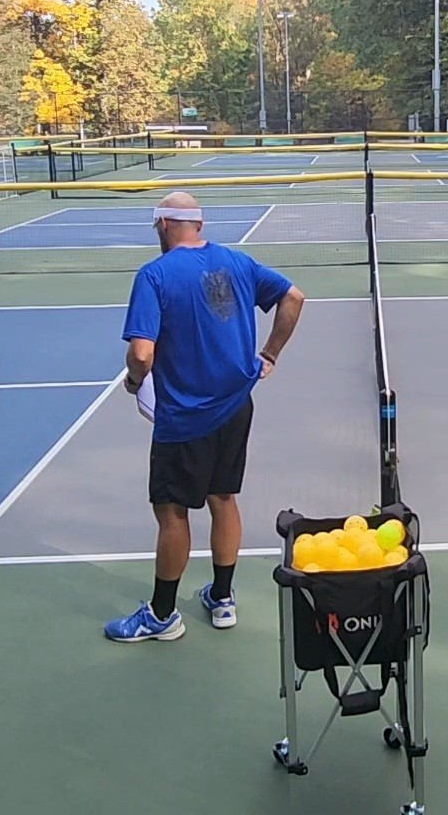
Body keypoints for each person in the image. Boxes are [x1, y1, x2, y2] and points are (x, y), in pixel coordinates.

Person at [103, 191, 304, 643]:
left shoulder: (154, 275)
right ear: (199, 224)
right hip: (236, 405)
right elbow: (294, 297)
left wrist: (136, 382)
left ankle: (161, 615)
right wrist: (268, 354)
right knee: (223, 498)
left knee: (172, 514)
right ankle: (223, 598)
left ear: (162, 225)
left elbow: (141, 352)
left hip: (185, 419)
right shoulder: (238, 261)